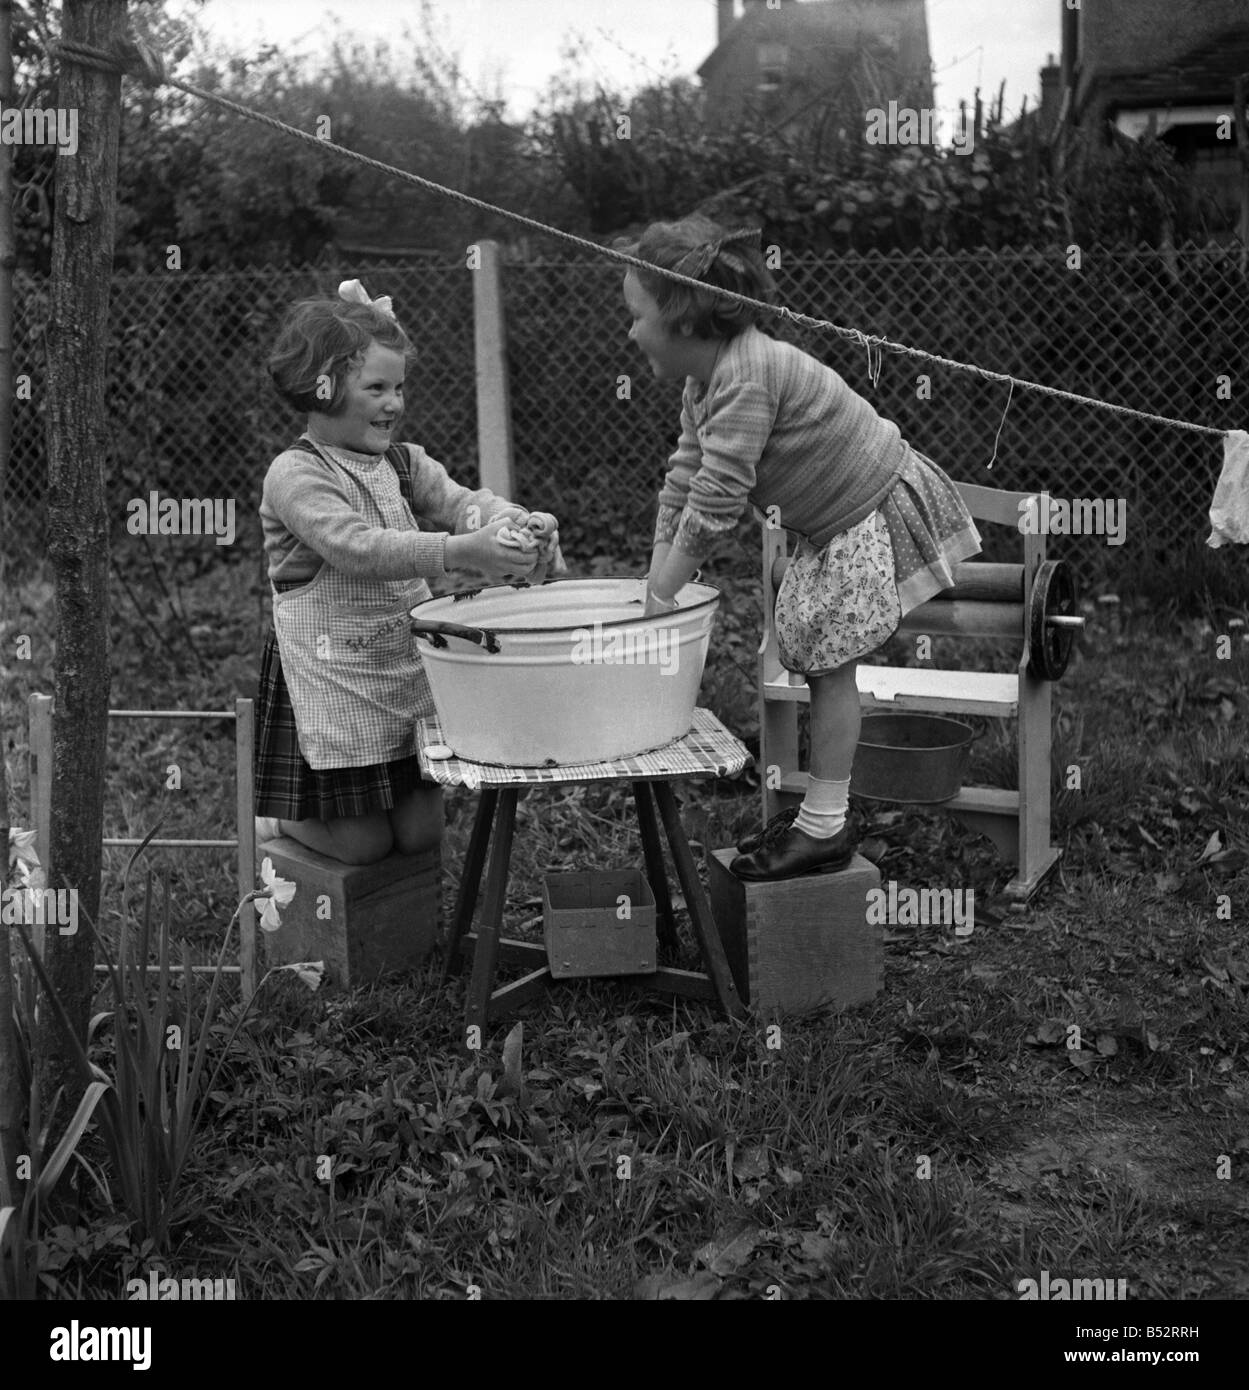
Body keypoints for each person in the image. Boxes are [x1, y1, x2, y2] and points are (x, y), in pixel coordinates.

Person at [622, 215, 981, 882]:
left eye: (637, 315)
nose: (629, 330)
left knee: (828, 667)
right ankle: (821, 817)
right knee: (818, 661)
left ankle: (824, 824)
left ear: (686, 323)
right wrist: (652, 584)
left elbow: (717, 500)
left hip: (868, 509)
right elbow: (685, 477)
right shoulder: (704, 384)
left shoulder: (747, 374)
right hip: (829, 526)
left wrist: (664, 591)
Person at [254, 280, 559, 865]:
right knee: (366, 845)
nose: (394, 402)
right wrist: (462, 552)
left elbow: (462, 502)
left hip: (399, 667)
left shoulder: (404, 461)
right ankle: (275, 822)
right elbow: (357, 548)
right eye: (376, 387)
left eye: (399, 387)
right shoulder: (295, 474)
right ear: (322, 388)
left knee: (420, 835)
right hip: (332, 675)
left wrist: (517, 522)